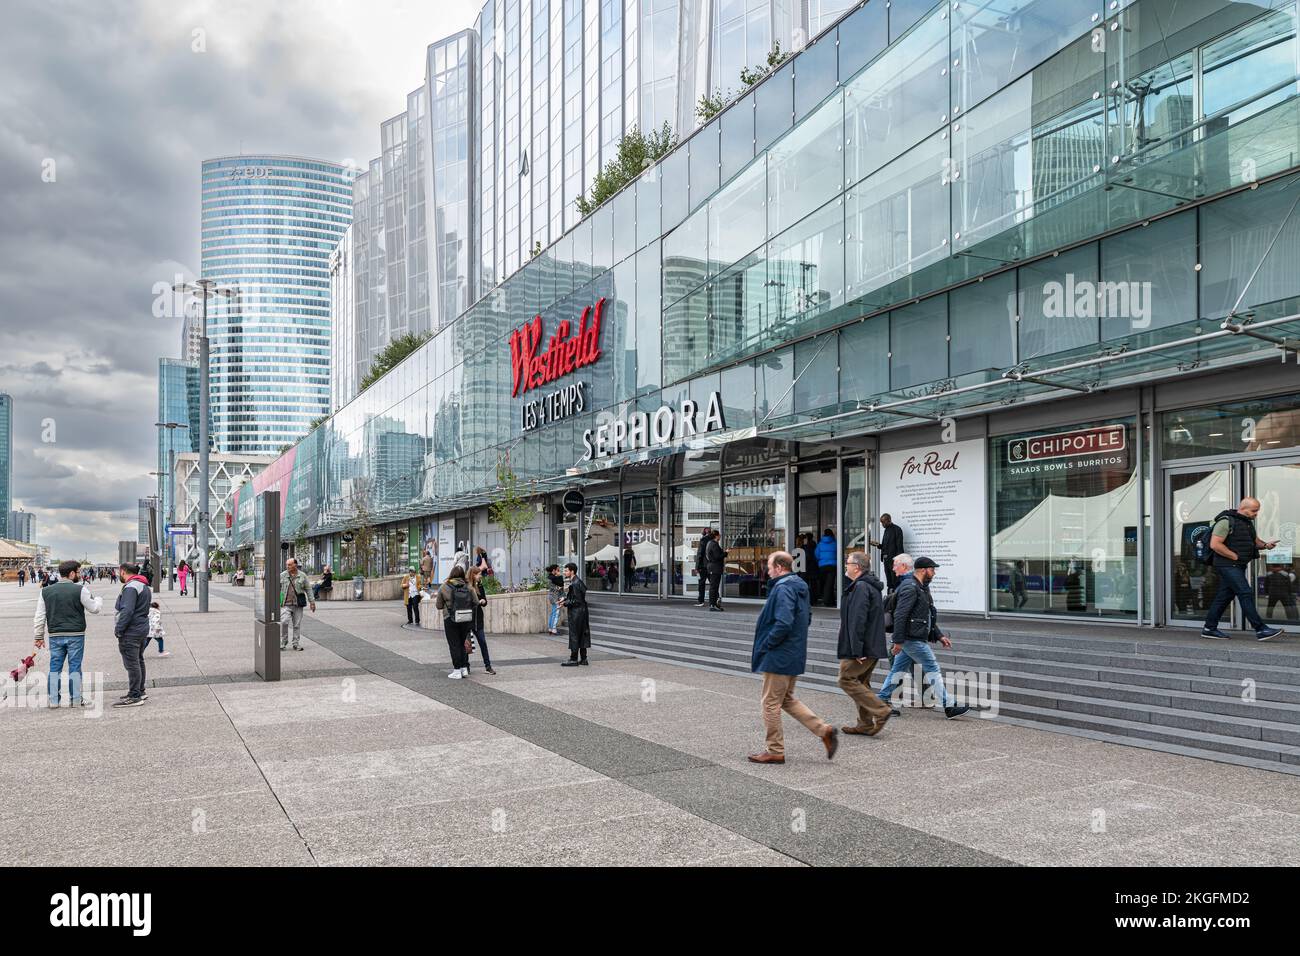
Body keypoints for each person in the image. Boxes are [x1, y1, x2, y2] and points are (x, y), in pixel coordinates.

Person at [747, 551, 838, 764]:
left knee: (770, 703)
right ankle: (824, 731)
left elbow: (784, 622)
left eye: (769, 567)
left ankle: (775, 750)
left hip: (779, 655)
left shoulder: (783, 588)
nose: (767, 571)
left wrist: (768, 643)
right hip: (793, 652)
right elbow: (807, 618)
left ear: (779, 567)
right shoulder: (799, 586)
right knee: (786, 699)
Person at [874, 555, 970, 719]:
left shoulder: (921, 588)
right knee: (932, 668)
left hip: (911, 637)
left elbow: (927, 615)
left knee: (897, 670)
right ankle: (949, 705)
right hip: (912, 638)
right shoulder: (910, 588)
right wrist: (897, 641)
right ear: (923, 570)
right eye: (932, 570)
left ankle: (880, 701)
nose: (934, 573)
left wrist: (939, 636)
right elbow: (900, 615)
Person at [1201, 497, 1284, 641]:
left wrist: (1265, 545)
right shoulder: (1226, 521)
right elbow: (1215, 544)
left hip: (1237, 565)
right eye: (1254, 511)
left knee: (1224, 596)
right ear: (1243, 508)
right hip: (1227, 565)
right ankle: (1260, 629)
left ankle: (1209, 628)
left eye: (1257, 511)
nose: (1256, 514)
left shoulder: (1246, 523)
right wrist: (1233, 556)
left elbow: (1255, 541)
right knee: (1245, 592)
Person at [836, 551, 891, 737]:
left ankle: (881, 710)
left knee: (845, 679)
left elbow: (857, 620)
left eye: (848, 563)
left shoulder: (860, 587)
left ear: (857, 567)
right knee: (861, 682)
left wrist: (856, 649)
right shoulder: (866, 585)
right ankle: (865, 724)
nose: (846, 565)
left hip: (862, 647)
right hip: (870, 645)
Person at [33, 560, 102, 708]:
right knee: (75, 666)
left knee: (54, 667)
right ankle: (76, 699)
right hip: (76, 634)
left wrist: (39, 636)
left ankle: (53, 700)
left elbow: (39, 616)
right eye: (78, 572)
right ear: (71, 573)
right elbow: (95, 609)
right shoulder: (81, 589)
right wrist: (98, 600)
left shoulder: (45, 591)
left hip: (55, 635)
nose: (80, 574)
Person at [113, 562, 152, 707]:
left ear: (123, 571)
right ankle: (140, 690)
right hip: (141, 628)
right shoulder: (143, 585)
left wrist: (119, 629)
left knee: (132, 663)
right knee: (138, 660)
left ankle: (135, 695)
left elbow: (127, 611)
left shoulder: (130, 587)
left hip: (131, 630)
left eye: (119, 572)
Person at [434, 565, 475, 678]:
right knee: (462, 643)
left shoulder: (444, 587)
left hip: (450, 619)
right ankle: (463, 668)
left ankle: (456, 670)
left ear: (451, 574)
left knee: (454, 644)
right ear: (462, 574)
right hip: (465, 618)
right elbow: (475, 602)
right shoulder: (468, 586)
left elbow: (439, 605)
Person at [279, 556, 316, 652]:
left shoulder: (302, 575)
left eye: (290, 564)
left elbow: (308, 589)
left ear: (295, 565)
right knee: (284, 622)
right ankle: (283, 643)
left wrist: (312, 602)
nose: (287, 566)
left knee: (296, 625)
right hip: (286, 604)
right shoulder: (283, 575)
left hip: (298, 604)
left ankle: (296, 643)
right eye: (287, 564)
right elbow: (276, 588)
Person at [466, 567, 497, 675]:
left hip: (478, 618)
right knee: (467, 643)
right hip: (468, 619)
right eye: (479, 574)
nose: (481, 576)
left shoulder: (479, 586)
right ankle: (466, 666)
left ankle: (488, 666)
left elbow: (485, 601)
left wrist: (483, 601)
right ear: (473, 575)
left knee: (483, 642)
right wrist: (476, 602)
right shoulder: (466, 586)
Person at [559, 562, 591, 667]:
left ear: (572, 571)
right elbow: (577, 598)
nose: (565, 572)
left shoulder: (575, 583)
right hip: (581, 612)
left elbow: (576, 601)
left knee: (575, 635)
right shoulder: (577, 581)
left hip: (576, 613)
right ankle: (584, 658)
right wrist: (565, 599)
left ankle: (573, 659)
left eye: (566, 570)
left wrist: (565, 603)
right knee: (582, 633)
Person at [873, 514, 904, 592]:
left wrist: (898, 561)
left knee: (895, 581)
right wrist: (878, 545)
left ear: (889, 520)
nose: (882, 524)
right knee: (889, 582)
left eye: (883, 522)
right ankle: (889, 598)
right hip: (886, 560)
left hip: (894, 561)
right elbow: (886, 546)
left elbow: (899, 547)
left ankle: (895, 598)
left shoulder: (897, 529)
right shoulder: (886, 530)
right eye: (881, 522)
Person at [815, 528, 838, 607]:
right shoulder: (835, 543)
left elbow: (817, 555)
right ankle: (828, 601)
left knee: (825, 584)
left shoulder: (820, 544)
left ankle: (829, 600)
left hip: (822, 566)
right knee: (830, 584)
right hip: (832, 566)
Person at [705, 529, 726, 612]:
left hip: (712, 567)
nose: (720, 536)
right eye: (719, 535)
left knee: (714, 586)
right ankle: (712, 605)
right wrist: (725, 553)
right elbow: (717, 556)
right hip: (715, 568)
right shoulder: (714, 544)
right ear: (716, 536)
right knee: (714, 587)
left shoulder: (709, 543)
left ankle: (715, 604)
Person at [694, 529, 712, 606]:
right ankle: (716, 598)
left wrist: (697, 567)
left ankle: (701, 601)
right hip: (711, 565)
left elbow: (700, 554)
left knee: (702, 583)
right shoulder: (712, 540)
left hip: (703, 566)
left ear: (704, 532)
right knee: (713, 583)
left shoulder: (703, 540)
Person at [545, 564, 564, 634]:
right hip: (555, 597)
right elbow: (561, 584)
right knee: (556, 613)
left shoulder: (550, 577)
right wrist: (560, 576)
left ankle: (550, 628)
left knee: (553, 612)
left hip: (551, 596)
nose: (559, 571)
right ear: (554, 570)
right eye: (558, 570)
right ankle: (553, 629)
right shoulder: (554, 578)